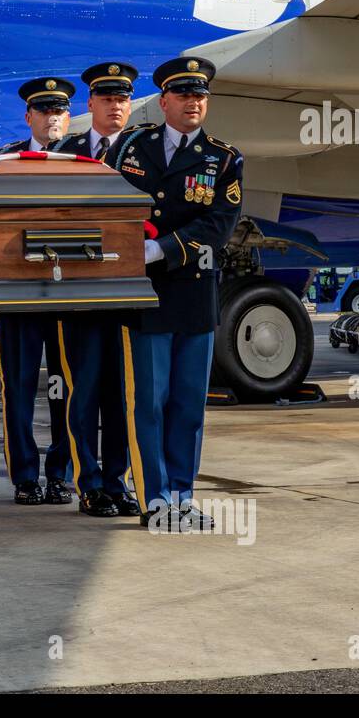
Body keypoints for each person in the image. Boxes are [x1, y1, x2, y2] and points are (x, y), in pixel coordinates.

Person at [105, 56, 243, 532]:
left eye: (200, 95)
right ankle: (154, 498)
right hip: (143, 293)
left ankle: (183, 495)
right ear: (163, 101)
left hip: (192, 290)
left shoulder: (223, 159)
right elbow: (104, 201)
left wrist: (161, 247)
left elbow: (218, 226)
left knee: (187, 402)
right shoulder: (130, 149)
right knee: (149, 399)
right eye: (184, 95)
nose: (193, 103)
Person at [51, 62, 140, 518]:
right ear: (90, 104)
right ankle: (89, 482)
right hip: (80, 292)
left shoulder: (145, 149)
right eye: (106, 99)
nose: (115, 106)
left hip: (127, 292)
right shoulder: (66, 151)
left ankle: (118, 480)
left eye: (122, 98)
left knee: (121, 394)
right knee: (82, 390)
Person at [0, 77, 75, 505]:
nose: (52, 117)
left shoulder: (85, 160)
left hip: (72, 293)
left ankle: (62, 472)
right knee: (19, 385)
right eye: (43, 110)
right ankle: (24, 475)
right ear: (28, 117)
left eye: (58, 110)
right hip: (19, 290)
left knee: (67, 387)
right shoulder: (5, 159)